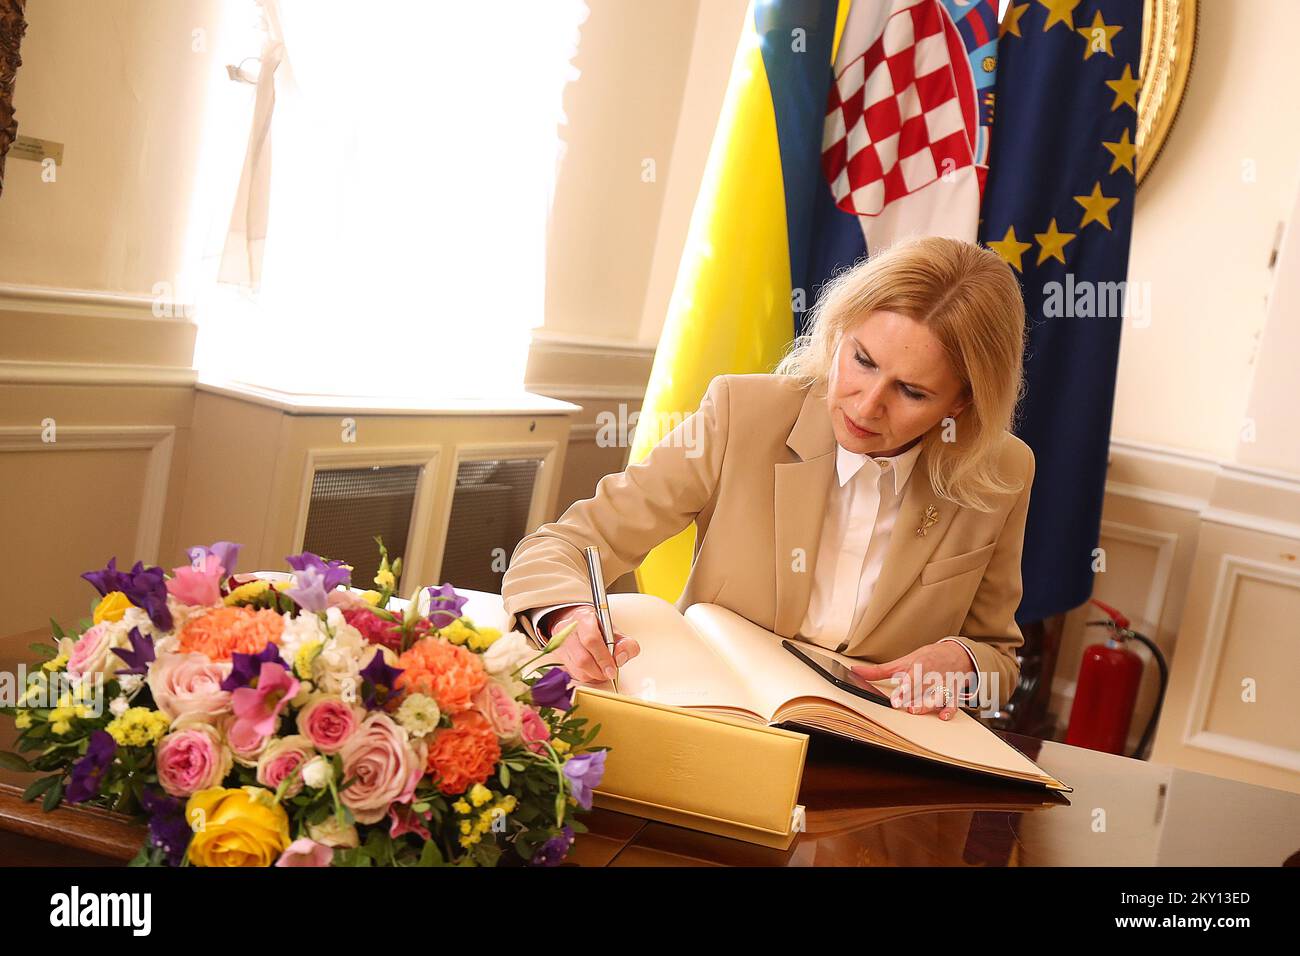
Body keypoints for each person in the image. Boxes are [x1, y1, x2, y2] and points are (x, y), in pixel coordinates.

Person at [501, 236, 1033, 719]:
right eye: (863, 360)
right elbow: (566, 545)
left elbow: (998, 655)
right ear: (839, 332)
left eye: (912, 392)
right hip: (716, 723)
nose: (867, 406)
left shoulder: (1002, 471)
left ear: (963, 403)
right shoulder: (744, 413)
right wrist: (566, 615)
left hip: (876, 751)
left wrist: (962, 662)